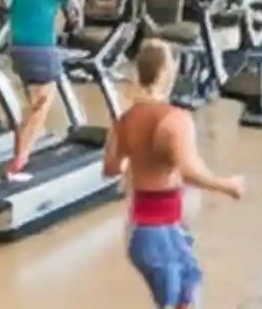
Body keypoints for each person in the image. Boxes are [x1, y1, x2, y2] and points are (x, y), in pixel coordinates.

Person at [102, 39, 245, 309]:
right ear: (167, 72)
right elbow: (189, 172)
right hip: (162, 231)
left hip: (141, 230)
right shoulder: (175, 119)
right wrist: (227, 185)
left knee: (183, 295)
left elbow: (110, 168)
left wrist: (136, 156)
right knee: (185, 298)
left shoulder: (126, 120)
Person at [7, 0, 81, 179]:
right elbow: (73, 11)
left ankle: (21, 148)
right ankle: (19, 159)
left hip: (16, 45)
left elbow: (7, 2)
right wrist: (73, 29)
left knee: (33, 102)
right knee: (42, 103)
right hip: (40, 45)